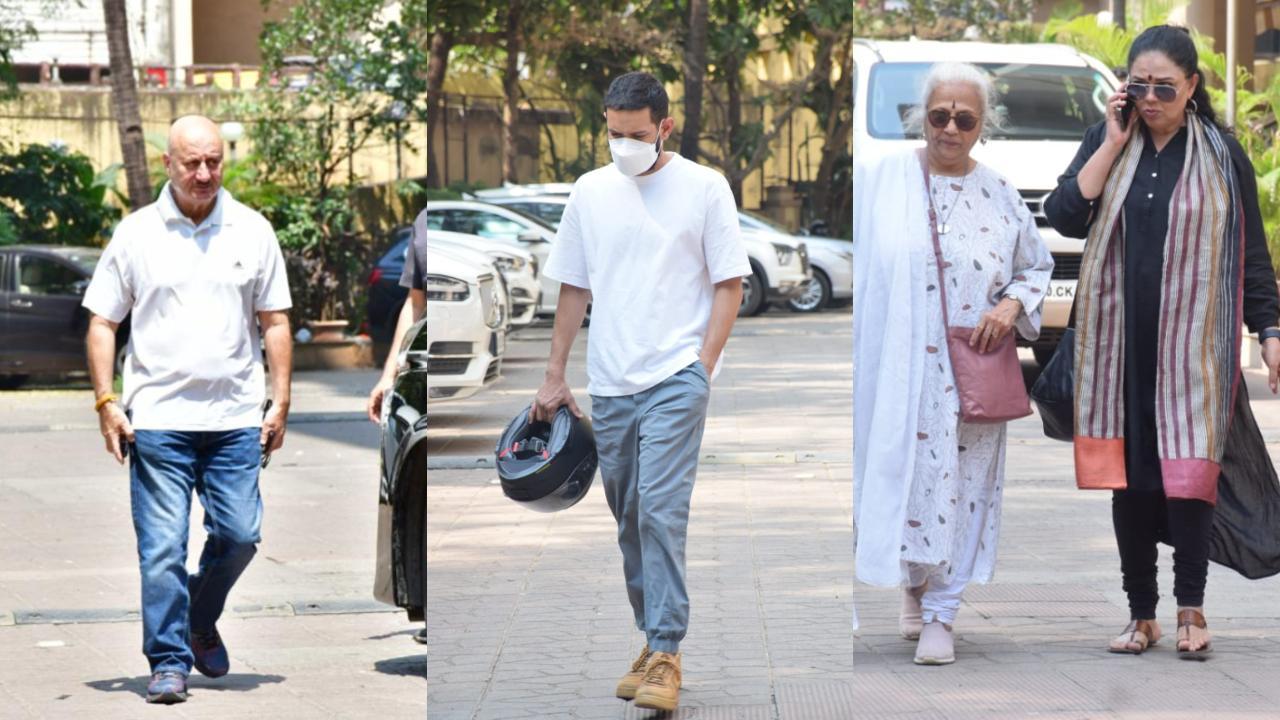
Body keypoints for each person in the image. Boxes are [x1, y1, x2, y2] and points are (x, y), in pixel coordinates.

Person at [1044, 25, 1280, 659]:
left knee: (1190, 477)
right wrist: (1111, 143)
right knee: (1134, 481)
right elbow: (1064, 214)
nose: (1150, 99)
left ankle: (1190, 609)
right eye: (1138, 85)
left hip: (1195, 353)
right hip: (1118, 350)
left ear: (1192, 87)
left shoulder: (1222, 153)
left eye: (1164, 88)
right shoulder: (1108, 138)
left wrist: (1271, 330)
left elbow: (1250, 254)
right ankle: (1141, 614)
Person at [531, 71, 749, 711]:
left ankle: (668, 651)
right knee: (628, 518)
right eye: (613, 133)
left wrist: (702, 366)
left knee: (658, 508)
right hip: (612, 383)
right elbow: (574, 286)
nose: (623, 145)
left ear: (664, 127)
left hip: (677, 376)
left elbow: (729, 282)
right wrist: (555, 373)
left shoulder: (704, 187)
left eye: (635, 135)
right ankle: (652, 643)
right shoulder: (590, 192)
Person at [83, 115, 293, 704]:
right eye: (191, 163)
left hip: (233, 420)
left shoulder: (252, 231)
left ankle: (199, 618)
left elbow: (275, 321)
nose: (204, 174)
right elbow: (103, 322)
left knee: (241, 535)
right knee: (161, 549)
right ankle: (168, 661)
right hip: (158, 420)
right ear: (168, 165)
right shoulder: (136, 234)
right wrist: (106, 401)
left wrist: (281, 400)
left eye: (214, 162)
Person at [853, 62, 1054, 665]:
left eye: (964, 118)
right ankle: (914, 587)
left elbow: (1036, 267)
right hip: (902, 374)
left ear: (982, 125)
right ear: (922, 117)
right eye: (939, 115)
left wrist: (1011, 304)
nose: (950, 128)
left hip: (975, 369)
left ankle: (943, 613)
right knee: (909, 479)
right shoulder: (883, 182)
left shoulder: (999, 193)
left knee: (963, 491)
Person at [366, 209, 427, 645]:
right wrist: (390, 374)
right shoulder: (425, 221)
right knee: (414, 490)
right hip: (421, 374)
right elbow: (415, 302)